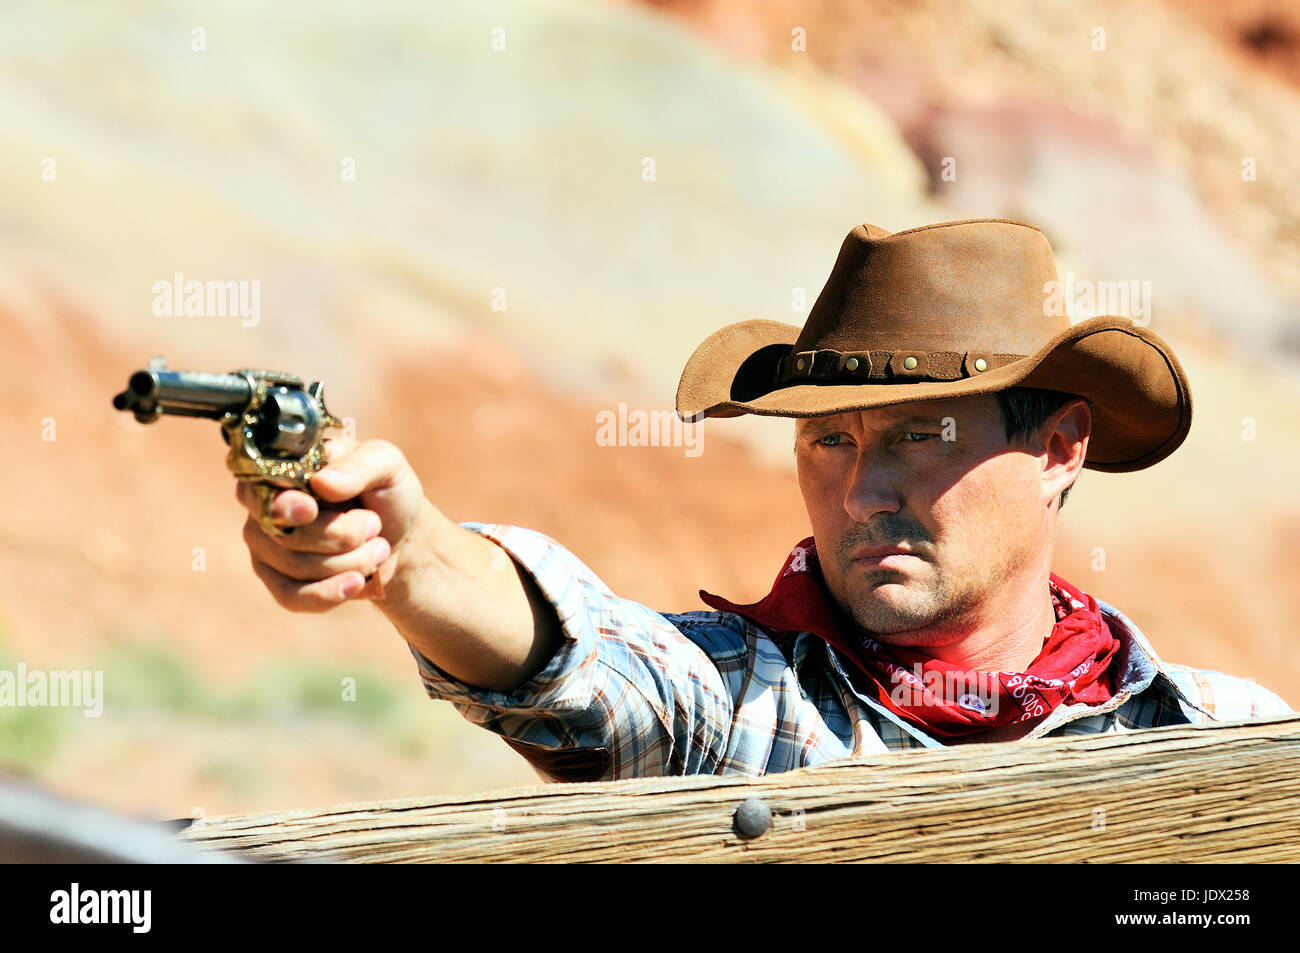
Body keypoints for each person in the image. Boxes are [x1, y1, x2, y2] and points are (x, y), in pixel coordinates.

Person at [237, 218, 1292, 782]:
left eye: (920, 435)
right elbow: (577, 659)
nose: (861, 490)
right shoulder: (733, 704)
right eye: (828, 437)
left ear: (1060, 448)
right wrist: (410, 554)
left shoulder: (1226, 737)